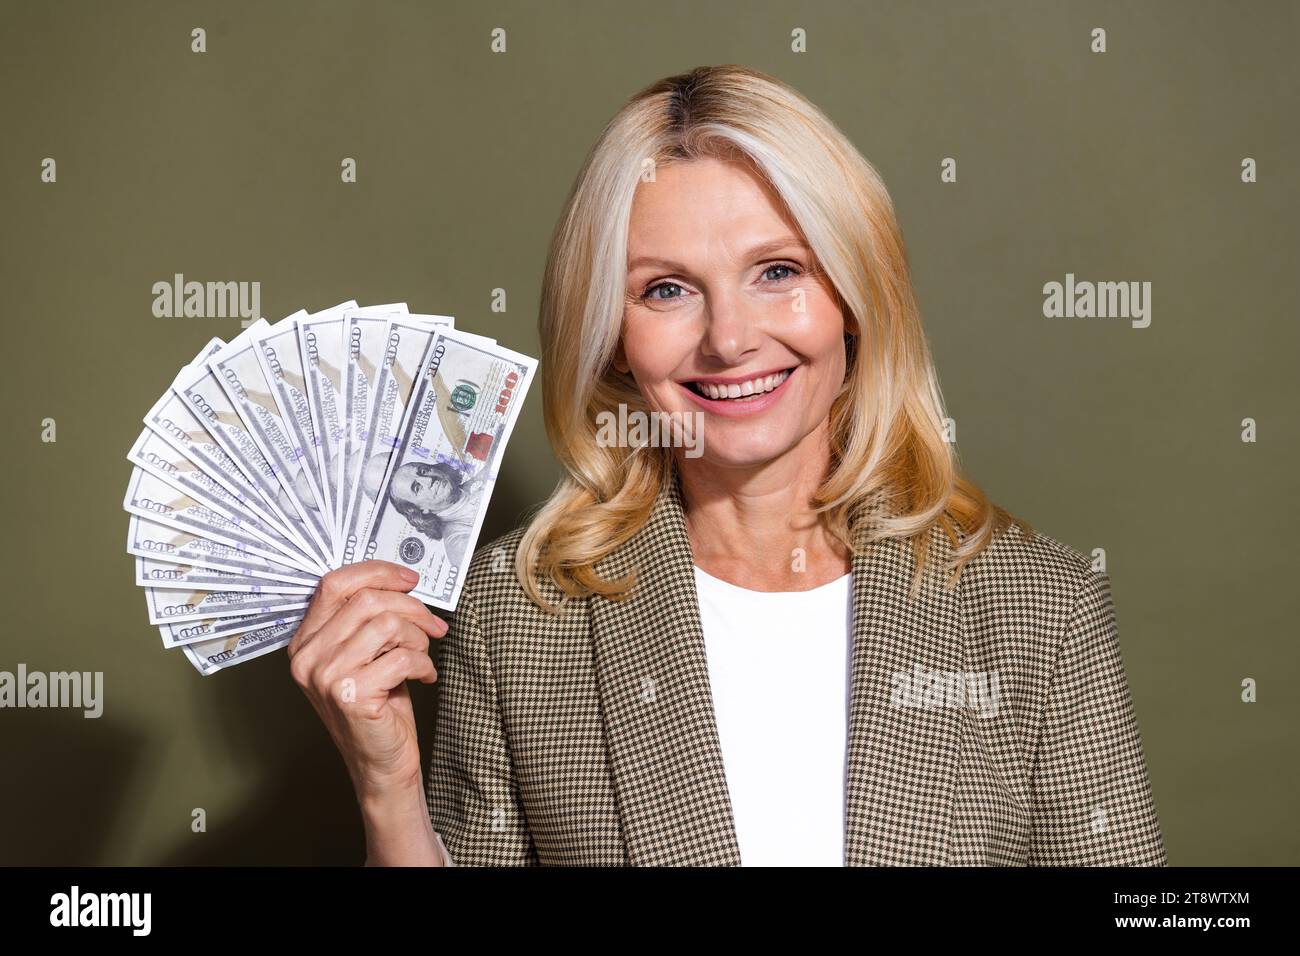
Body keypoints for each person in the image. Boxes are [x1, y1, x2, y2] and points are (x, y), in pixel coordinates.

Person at [288, 64, 1166, 866]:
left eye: (778, 270)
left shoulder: (1041, 606)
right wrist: (389, 794)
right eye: (665, 288)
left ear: (854, 299)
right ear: (614, 339)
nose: (731, 338)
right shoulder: (517, 618)